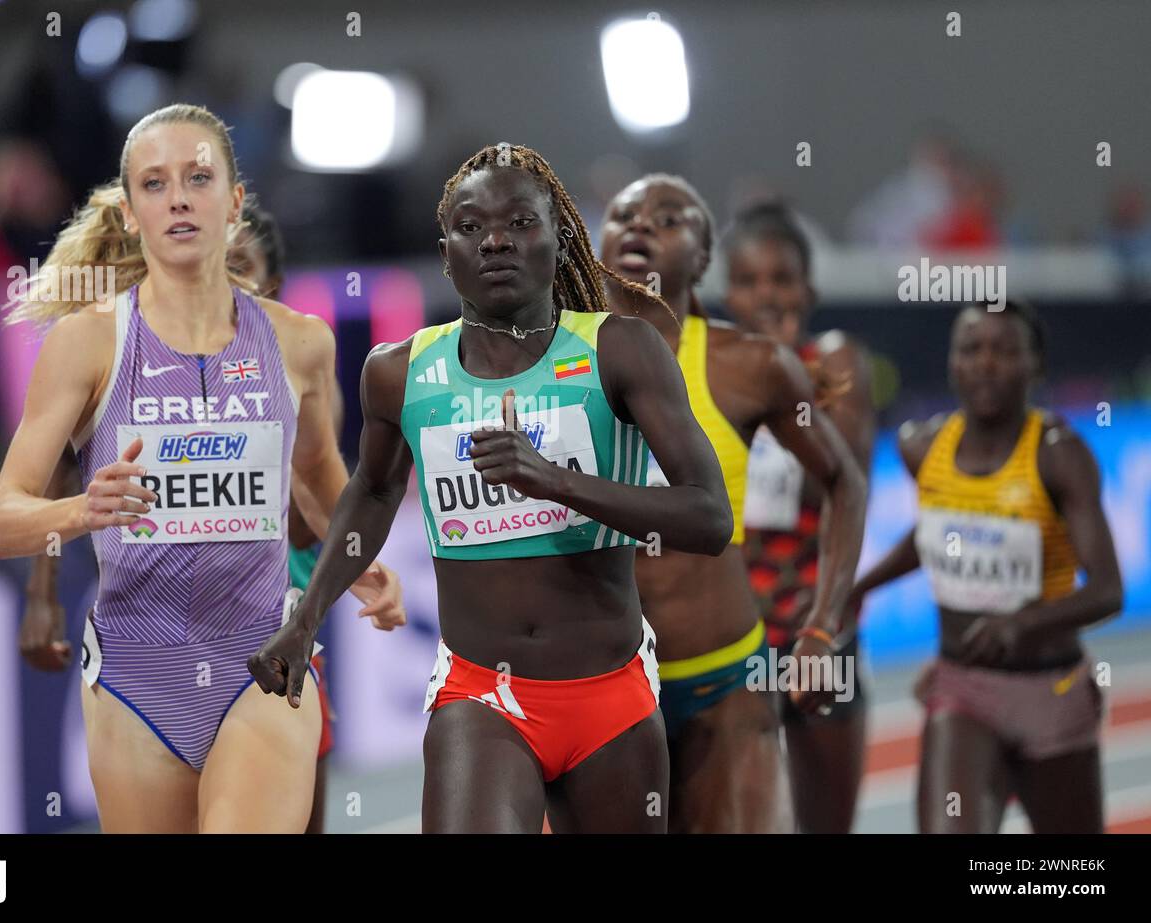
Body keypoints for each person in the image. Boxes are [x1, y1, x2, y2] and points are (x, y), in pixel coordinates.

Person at [250, 143, 733, 833]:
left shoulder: (618, 350)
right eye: (470, 227)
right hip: (482, 691)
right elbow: (376, 492)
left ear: (561, 237)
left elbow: (708, 516)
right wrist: (304, 619)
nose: (496, 239)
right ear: (445, 252)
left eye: (519, 222)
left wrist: (554, 481)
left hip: (611, 695)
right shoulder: (400, 371)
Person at [0, 103, 404, 833]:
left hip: (263, 654)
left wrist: (360, 557)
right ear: (132, 209)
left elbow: (316, 474)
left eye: (198, 177)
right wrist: (82, 509)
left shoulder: (299, 342)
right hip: (133, 675)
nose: (178, 196)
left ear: (234, 201)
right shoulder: (87, 344)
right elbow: (2, 518)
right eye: (155, 183)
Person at [599, 176, 868, 833]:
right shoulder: (553, 360)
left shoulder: (751, 365)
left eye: (668, 217)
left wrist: (823, 625)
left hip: (729, 678)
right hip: (609, 688)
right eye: (624, 214)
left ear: (701, 258)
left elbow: (846, 480)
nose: (640, 225)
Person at [850, 300, 1123, 833]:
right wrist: (860, 586)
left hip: (1052, 691)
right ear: (951, 362)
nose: (986, 364)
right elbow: (938, 532)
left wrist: (1020, 623)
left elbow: (1108, 589)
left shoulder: (1059, 456)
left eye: (1004, 351)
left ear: (1034, 366)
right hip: (962, 689)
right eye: (971, 349)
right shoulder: (921, 445)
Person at [720, 201, 877, 833]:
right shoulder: (705, 371)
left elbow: (837, 484)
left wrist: (781, 379)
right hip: (732, 644)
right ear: (728, 291)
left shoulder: (834, 364)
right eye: (752, 281)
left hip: (815, 635)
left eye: (782, 280)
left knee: (825, 827)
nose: (768, 294)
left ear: (808, 290)